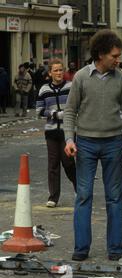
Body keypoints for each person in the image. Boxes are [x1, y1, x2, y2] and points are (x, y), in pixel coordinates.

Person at [63, 30, 122, 262]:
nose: (118, 59)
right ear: (101, 54)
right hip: (84, 143)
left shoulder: (121, 79)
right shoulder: (81, 78)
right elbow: (70, 111)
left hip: (114, 143)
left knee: (115, 198)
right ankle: (81, 248)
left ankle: (115, 250)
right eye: (114, 55)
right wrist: (69, 139)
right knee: (83, 196)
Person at [36, 59, 77, 208]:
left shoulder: (70, 87)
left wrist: (67, 114)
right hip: (52, 131)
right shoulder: (44, 90)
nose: (59, 73)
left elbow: (77, 105)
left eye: (61, 70)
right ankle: (53, 197)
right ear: (50, 73)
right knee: (53, 164)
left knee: (68, 162)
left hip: (68, 131)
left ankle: (79, 189)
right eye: (56, 70)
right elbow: (39, 110)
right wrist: (53, 114)